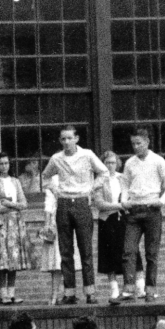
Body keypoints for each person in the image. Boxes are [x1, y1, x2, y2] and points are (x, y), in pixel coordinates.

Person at [41, 125, 109, 304]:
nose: (66, 142)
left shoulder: (87, 155)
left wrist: (91, 189)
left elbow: (104, 172)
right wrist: (55, 190)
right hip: (63, 204)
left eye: (69, 138)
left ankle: (90, 292)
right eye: (63, 139)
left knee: (85, 249)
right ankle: (69, 293)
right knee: (65, 251)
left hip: (81, 203)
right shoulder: (56, 158)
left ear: (77, 138)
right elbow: (45, 177)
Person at [121, 128, 165, 303]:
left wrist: (161, 201)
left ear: (147, 142)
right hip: (134, 211)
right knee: (128, 251)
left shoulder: (158, 161)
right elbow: (124, 184)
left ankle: (150, 290)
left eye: (139, 143)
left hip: (152, 210)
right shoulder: (129, 163)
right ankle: (129, 289)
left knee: (151, 253)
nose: (136, 147)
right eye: (133, 144)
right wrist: (124, 200)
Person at [0, 151, 33, 304]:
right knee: (3, 259)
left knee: (13, 259)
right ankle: (3, 295)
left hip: (15, 223)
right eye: (1, 164)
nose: (4, 166)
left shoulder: (15, 181)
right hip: (2, 224)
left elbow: (24, 203)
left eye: (6, 163)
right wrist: (12, 206)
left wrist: (10, 204)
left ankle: (12, 294)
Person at [93, 149, 131, 304]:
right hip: (107, 220)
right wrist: (120, 205)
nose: (110, 165)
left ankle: (132, 288)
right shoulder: (99, 180)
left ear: (118, 163)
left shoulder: (123, 178)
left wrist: (123, 207)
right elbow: (99, 203)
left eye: (113, 162)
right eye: (107, 162)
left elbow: (130, 197)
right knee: (109, 255)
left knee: (127, 251)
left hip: (122, 220)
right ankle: (114, 289)